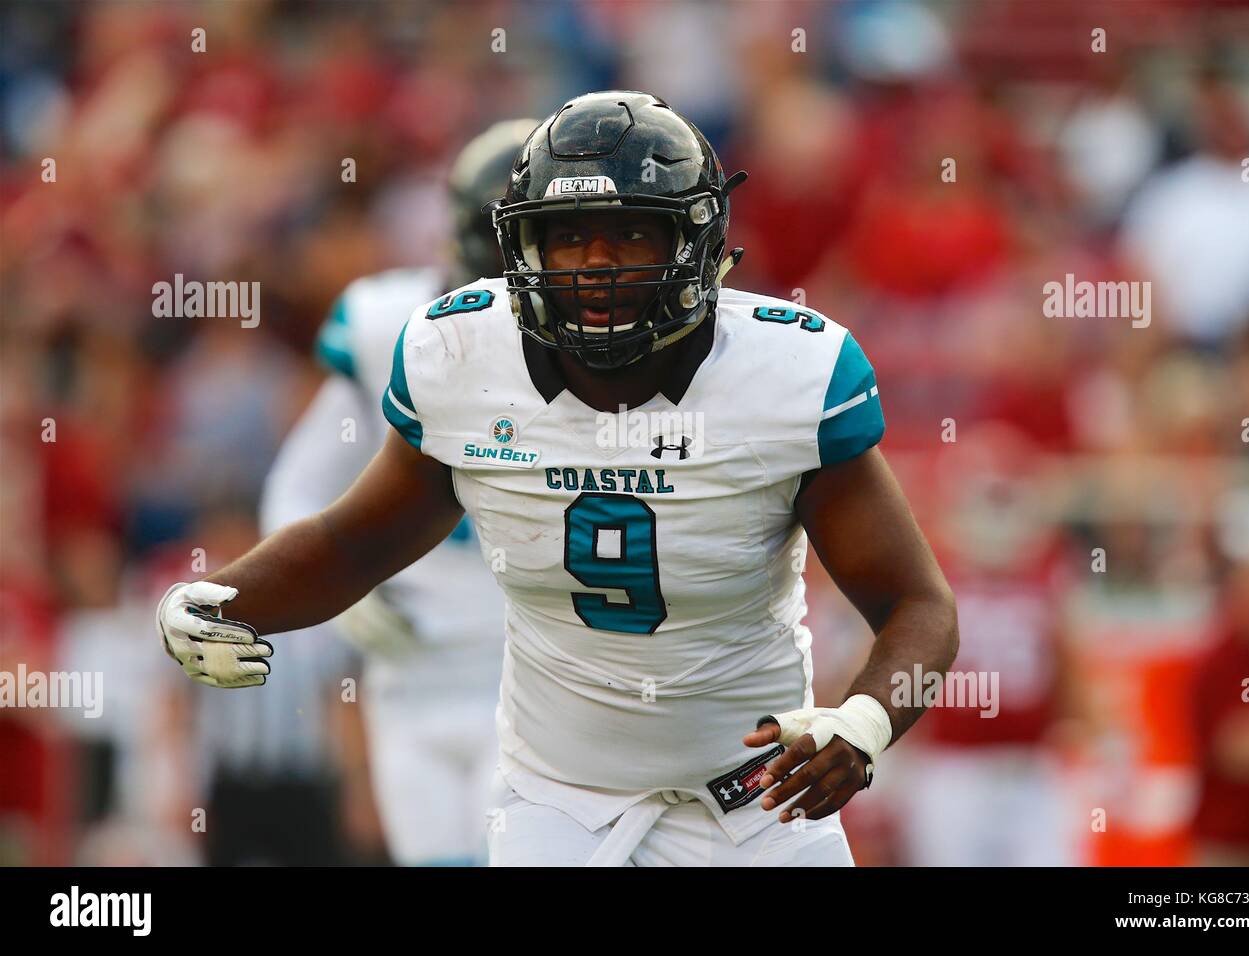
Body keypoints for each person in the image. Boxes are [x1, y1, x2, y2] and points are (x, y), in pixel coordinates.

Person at [157, 91, 958, 867]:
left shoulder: (789, 378)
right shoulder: (462, 358)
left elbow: (914, 602)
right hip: (558, 802)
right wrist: (214, 601)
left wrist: (863, 721)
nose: (595, 268)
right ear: (521, 248)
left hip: (756, 800)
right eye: (569, 238)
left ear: (697, 242)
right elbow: (351, 544)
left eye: (630, 237)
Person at [258, 120, 536, 865]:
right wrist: (345, 594)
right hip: (410, 670)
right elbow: (298, 481)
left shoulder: (593, 350)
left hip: (529, 673)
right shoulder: (388, 325)